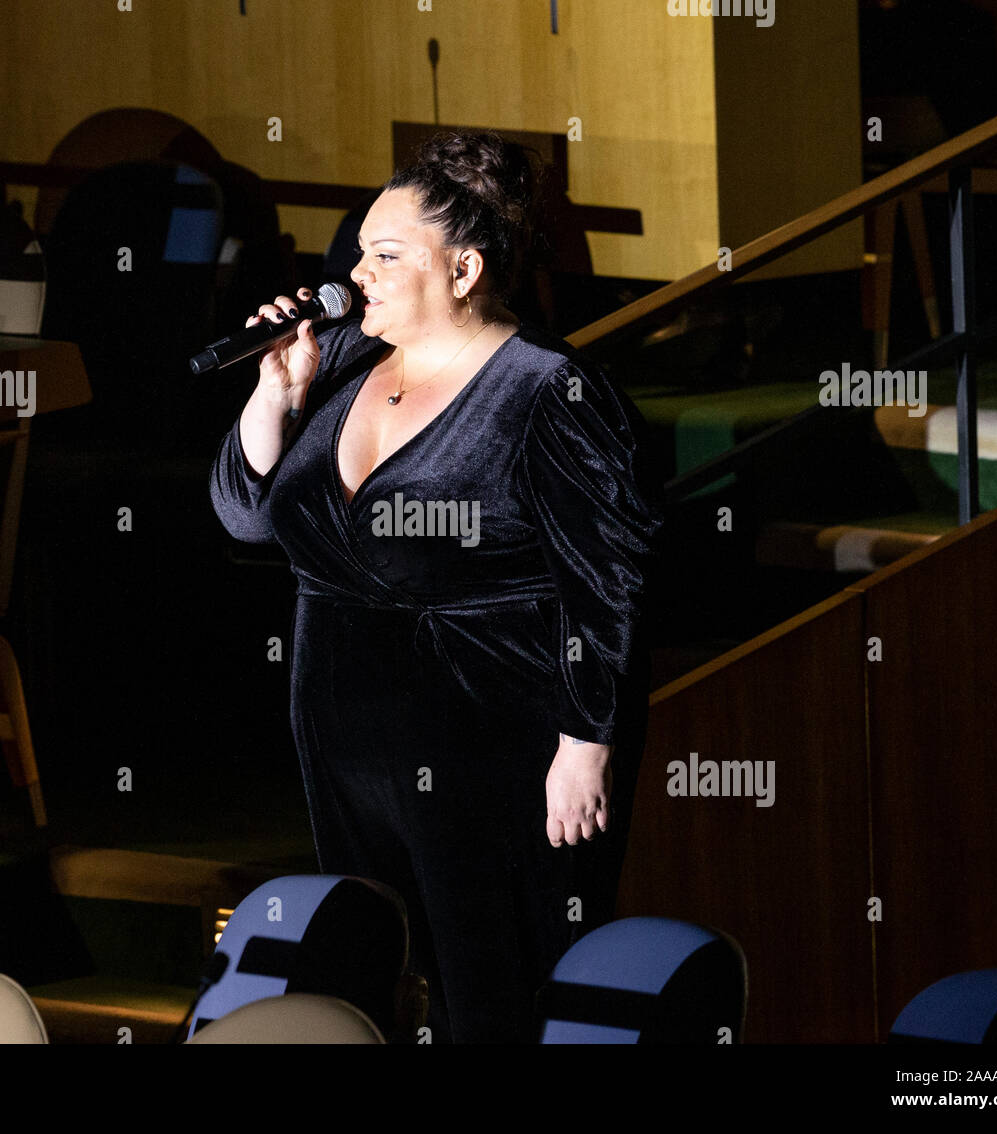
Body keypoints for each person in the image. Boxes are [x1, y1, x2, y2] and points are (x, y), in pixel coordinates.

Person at [210, 130, 662, 1043]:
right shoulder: (337, 364)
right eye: (357, 253)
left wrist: (585, 745)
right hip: (342, 733)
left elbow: (609, 585)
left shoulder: (547, 390)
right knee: (375, 966)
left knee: (487, 985)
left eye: (385, 255)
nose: (357, 274)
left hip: (490, 735)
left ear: (463, 268)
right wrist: (275, 393)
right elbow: (247, 519)